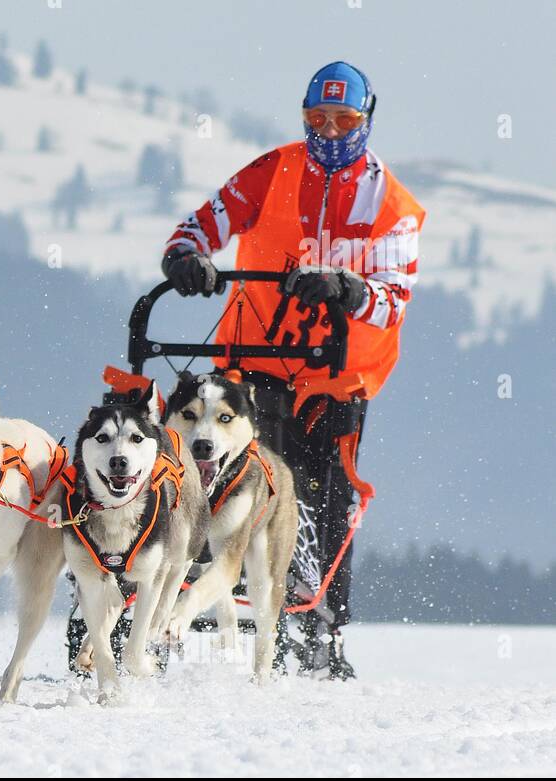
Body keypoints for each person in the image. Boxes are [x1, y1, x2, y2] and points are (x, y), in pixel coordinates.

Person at [159, 61, 426, 679]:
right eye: (316, 120)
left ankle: (324, 630)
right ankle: (169, 588)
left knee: (322, 496)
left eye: (344, 120)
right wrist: (186, 258)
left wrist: (347, 288)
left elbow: (392, 303)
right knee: (210, 478)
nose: (329, 132)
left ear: (366, 121)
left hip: (338, 377)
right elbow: (202, 224)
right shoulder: (272, 171)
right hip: (248, 370)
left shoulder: (393, 206)